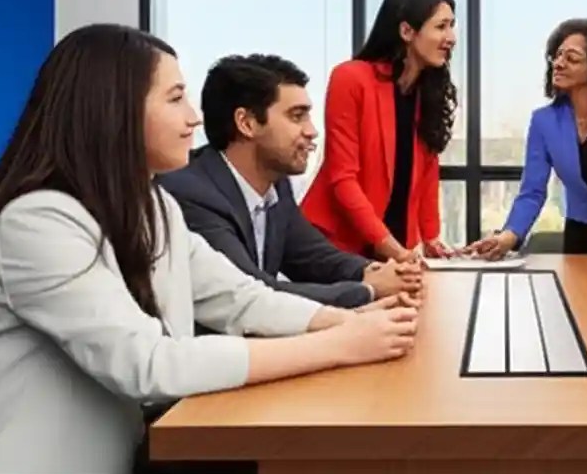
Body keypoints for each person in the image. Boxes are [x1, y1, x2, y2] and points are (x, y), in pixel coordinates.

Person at [0, 24, 418, 474]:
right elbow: (149, 366)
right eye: (176, 99)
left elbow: (241, 298)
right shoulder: (39, 222)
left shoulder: (153, 205)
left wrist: (347, 323)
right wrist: (336, 346)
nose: (195, 118)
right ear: (113, 109)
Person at [157, 54, 423, 310]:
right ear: (247, 123)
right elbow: (254, 295)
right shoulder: (192, 194)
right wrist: (368, 290)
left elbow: (314, 257)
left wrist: (374, 271)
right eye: (297, 116)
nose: (312, 131)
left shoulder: (275, 185)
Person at [465, 19, 587, 268]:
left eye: (572, 58)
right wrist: (507, 237)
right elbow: (532, 191)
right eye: (557, 56)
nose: (558, 63)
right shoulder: (543, 121)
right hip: (582, 236)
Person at [301, 0, 459, 261]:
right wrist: (391, 248)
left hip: (394, 250)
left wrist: (431, 238)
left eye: (452, 25)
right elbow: (343, 178)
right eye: (441, 26)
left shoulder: (427, 93)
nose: (451, 37)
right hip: (338, 247)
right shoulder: (350, 78)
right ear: (407, 31)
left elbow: (426, 176)